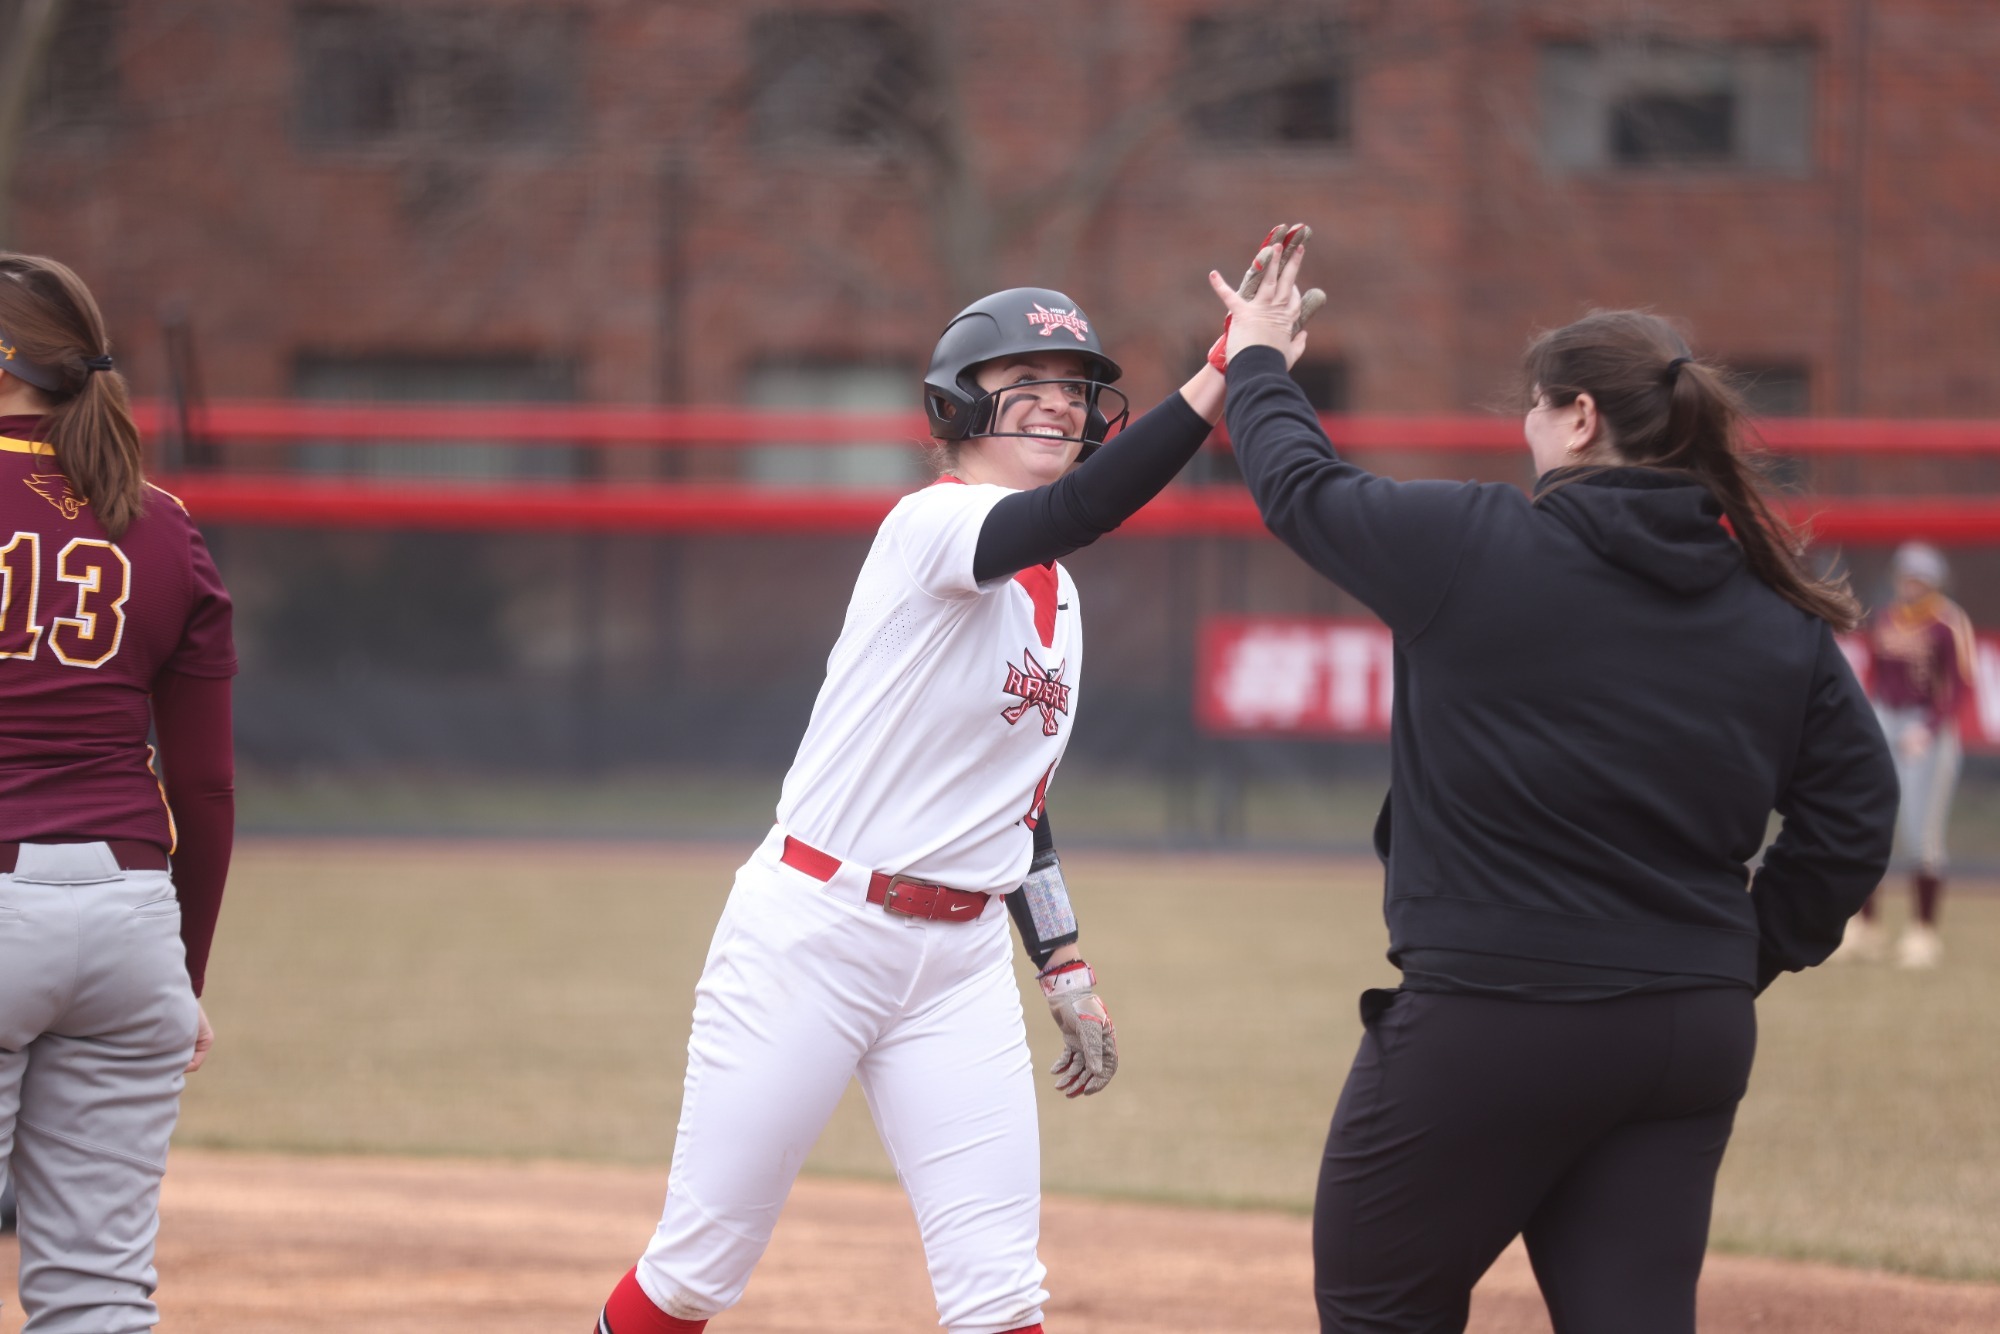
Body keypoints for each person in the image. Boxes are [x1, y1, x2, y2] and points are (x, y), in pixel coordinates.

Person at [594, 236, 1320, 1334]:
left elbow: (1015, 805)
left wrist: (1061, 960)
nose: (1052, 407)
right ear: (953, 407)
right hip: (815, 931)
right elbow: (1073, 511)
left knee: (999, 1292)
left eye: (1071, 390)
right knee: (696, 1271)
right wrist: (1221, 372)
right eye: (1019, 386)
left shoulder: (1059, 599)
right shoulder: (930, 525)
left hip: (959, 962)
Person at [1208, 259, 1897, 1334]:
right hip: (1686, 1033)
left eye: (1533, 407)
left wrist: (1254, 355)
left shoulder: (1474, 544)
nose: (1523, 429)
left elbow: (1297, 486)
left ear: (1578, 418)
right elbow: (1853, 817)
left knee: (1376, 1309)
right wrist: (1731, 952)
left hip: (1496, 1020)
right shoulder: (1771, 608)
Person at [0, 254, 236, 1331]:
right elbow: (205, 788)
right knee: (96, 1295)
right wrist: (180, 974)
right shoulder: (163, 522)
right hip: (131, 919)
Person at [1838, 541, 1975, 968]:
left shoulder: (1948, 623)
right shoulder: (1887, 617)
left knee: (1921, 834)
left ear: (1933, 581)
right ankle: (1866, 925)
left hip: (1926, 731)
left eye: (1918, 576)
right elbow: (1874, 676)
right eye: (1905, 574)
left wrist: (1928, 729)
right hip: (1886, 720)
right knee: (1870, 822)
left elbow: (1961, 687)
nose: (1909, 583)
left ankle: (1922, 931)